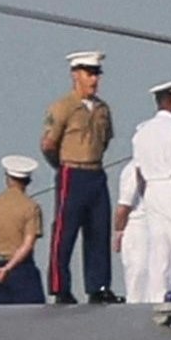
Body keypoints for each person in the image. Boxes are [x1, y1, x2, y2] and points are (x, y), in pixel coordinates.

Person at [114, 77, 171, 305]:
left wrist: (148, 195)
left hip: (152, 190)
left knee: (159, 250)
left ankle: (157, 298)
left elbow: (139, 173)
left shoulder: (141, 134)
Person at [40, 52, 116, 304]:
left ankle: (99, 285)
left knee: (99, 230)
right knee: (65, 231)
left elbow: (105, 140)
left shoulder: (102, 109)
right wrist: (62, 165)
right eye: (89, 74)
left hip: (96, 172)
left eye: (96, 74)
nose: (94, 80)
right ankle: (60, 286)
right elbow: (49, 144)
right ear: (76, 75)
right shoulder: (63, 106)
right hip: (72, 172)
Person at [0, 156, 46, 304]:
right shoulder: (30, 207)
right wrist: (8, 268)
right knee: (33, 315)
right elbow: (28, 244)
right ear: (28, 181)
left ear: (7, 179)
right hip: (23, 268)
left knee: (4, 315)